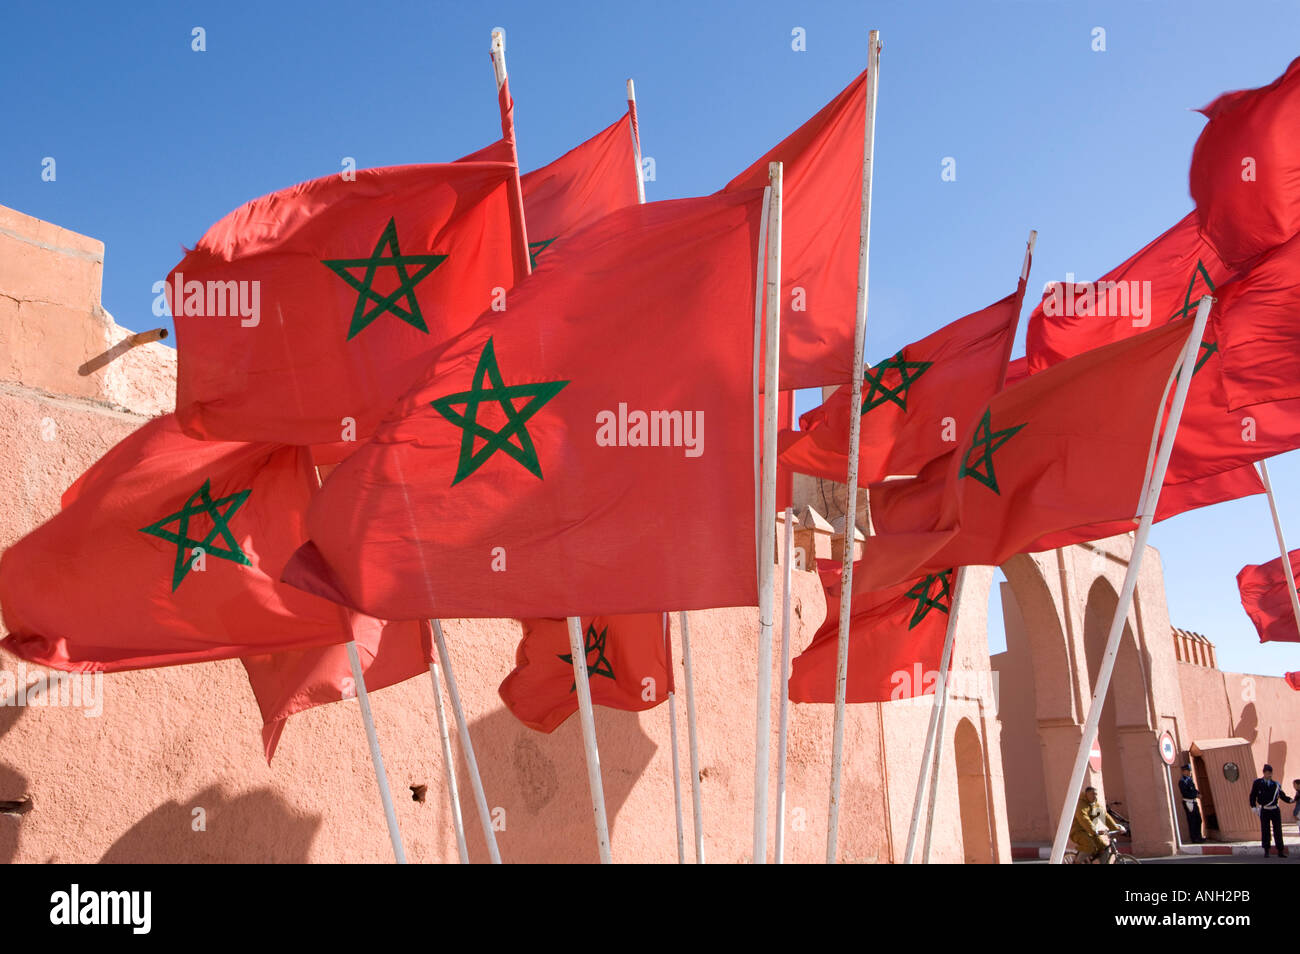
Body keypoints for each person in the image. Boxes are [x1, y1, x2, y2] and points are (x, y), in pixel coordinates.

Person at [1248, 763, 1293, 857]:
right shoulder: (1258, 782)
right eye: (1267, 772)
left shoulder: (1276, 784)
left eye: (1270, 773)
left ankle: (1280, 851)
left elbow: (1282, 795)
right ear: (1264, 773)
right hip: (1264, 809)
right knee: (1265, 830)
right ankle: (1266, 850)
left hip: (1274, 810)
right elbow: (1253, 795)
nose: (1269, 774)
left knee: (1278, 830)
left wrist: (1290, 800)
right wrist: (1253, 806)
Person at [1070, 786, 1124, 863]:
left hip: (1091, 832)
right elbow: (1084, 819)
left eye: (1096, 794)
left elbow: (1104, 816)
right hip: (1078, 831)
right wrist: (1094, 830)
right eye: (1092, 794)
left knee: (1103, 847)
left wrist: (1116, 828)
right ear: (1086, 794)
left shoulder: (1095, 804)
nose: (1094, 796)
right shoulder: (1081, 804)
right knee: (1089, 846)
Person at [1178, 764, 1203, 843]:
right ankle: (1194, 838)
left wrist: (1197, 793)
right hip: (1188, 802)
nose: (1189, 773)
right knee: (1192, 821)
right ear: (1184, 772)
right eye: (1188, 771)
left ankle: (1199, 836)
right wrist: (1195, 795)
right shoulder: (1182, 781)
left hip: (1193, 802)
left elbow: (1194, 789)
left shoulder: (1189, 780)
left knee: (1198, 820)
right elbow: (1185, 793)